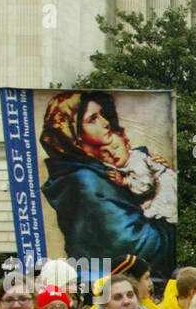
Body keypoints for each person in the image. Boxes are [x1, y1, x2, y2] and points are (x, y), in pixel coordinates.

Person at [39, 90, 176, 278]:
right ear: (75, 134)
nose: (105, 123)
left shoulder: (92, 170)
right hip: (115, 282)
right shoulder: (87, 181)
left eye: (102, 115)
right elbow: (139, 246)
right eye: (93, 119)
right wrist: (169, 231)